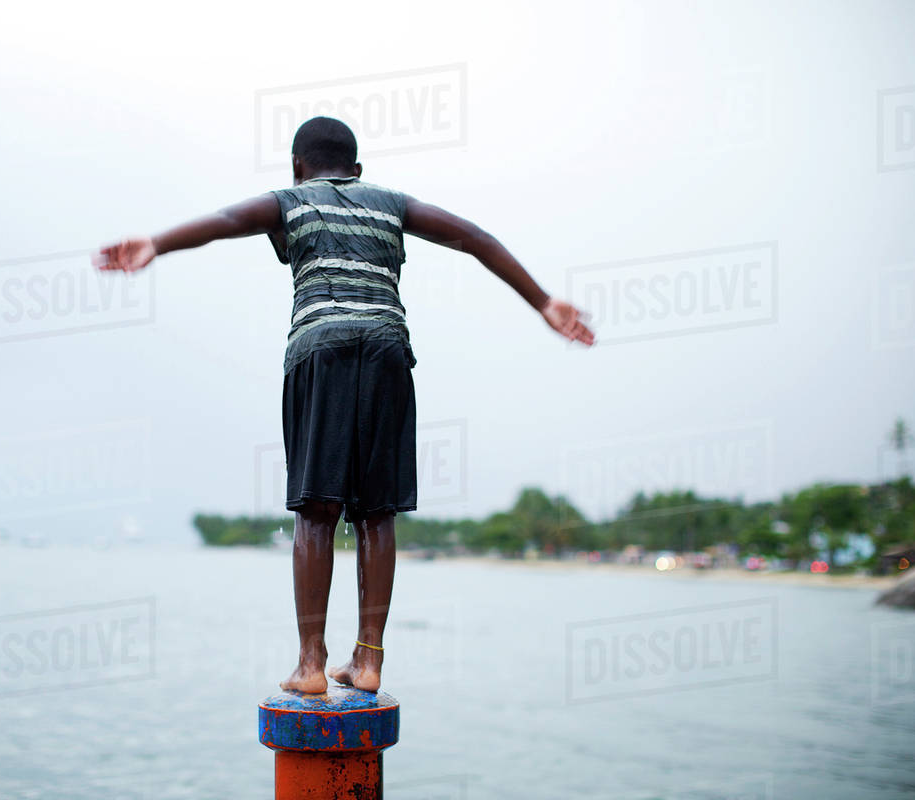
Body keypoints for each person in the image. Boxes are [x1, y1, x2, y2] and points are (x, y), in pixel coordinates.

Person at [94, 116, 595, 693]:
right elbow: (474, 237)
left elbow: (228, 221)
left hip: (321, 350)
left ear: (297, 167)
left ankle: (310, 663)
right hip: (386, 350)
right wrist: (543, 302)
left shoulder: (290, 199)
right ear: (357, 171)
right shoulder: (392, 203)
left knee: (315, 512)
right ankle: (369, 659)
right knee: (376, 514)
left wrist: (157, 242)